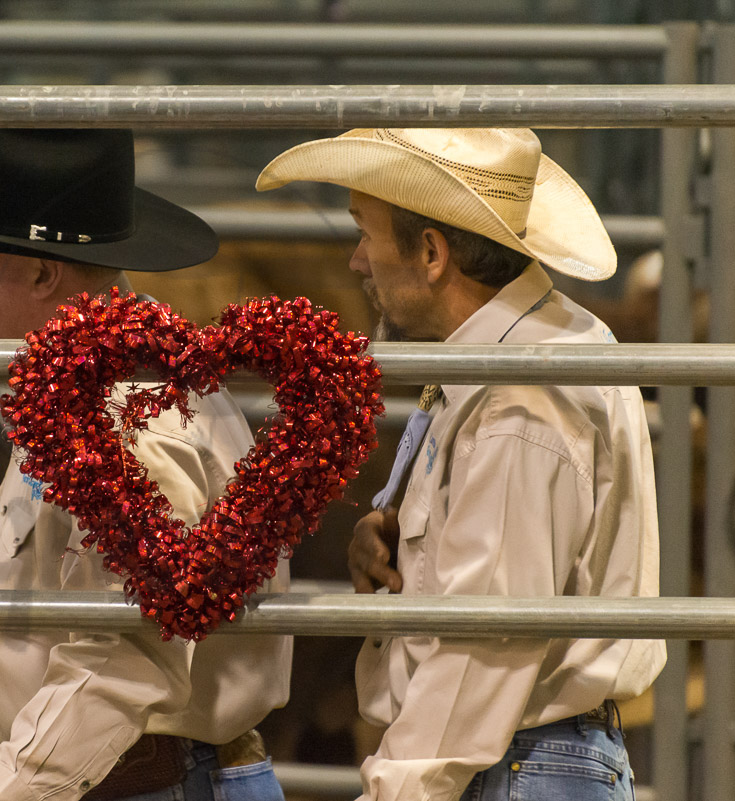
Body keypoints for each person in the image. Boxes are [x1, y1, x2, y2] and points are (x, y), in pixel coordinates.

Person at [0, 127, 293, 801]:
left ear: (41, 271)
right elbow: (85, 553)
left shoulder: (129, 421)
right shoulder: (97, 374)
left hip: (136, 781)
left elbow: (130, 654)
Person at [256, 127, 666, 800]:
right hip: (521, 760)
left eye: (367, 234)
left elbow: (484, 647)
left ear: (430, 252)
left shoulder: (518, 403)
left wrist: (397, 788)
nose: (357, 260)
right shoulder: (525, 350)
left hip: (513, 765)